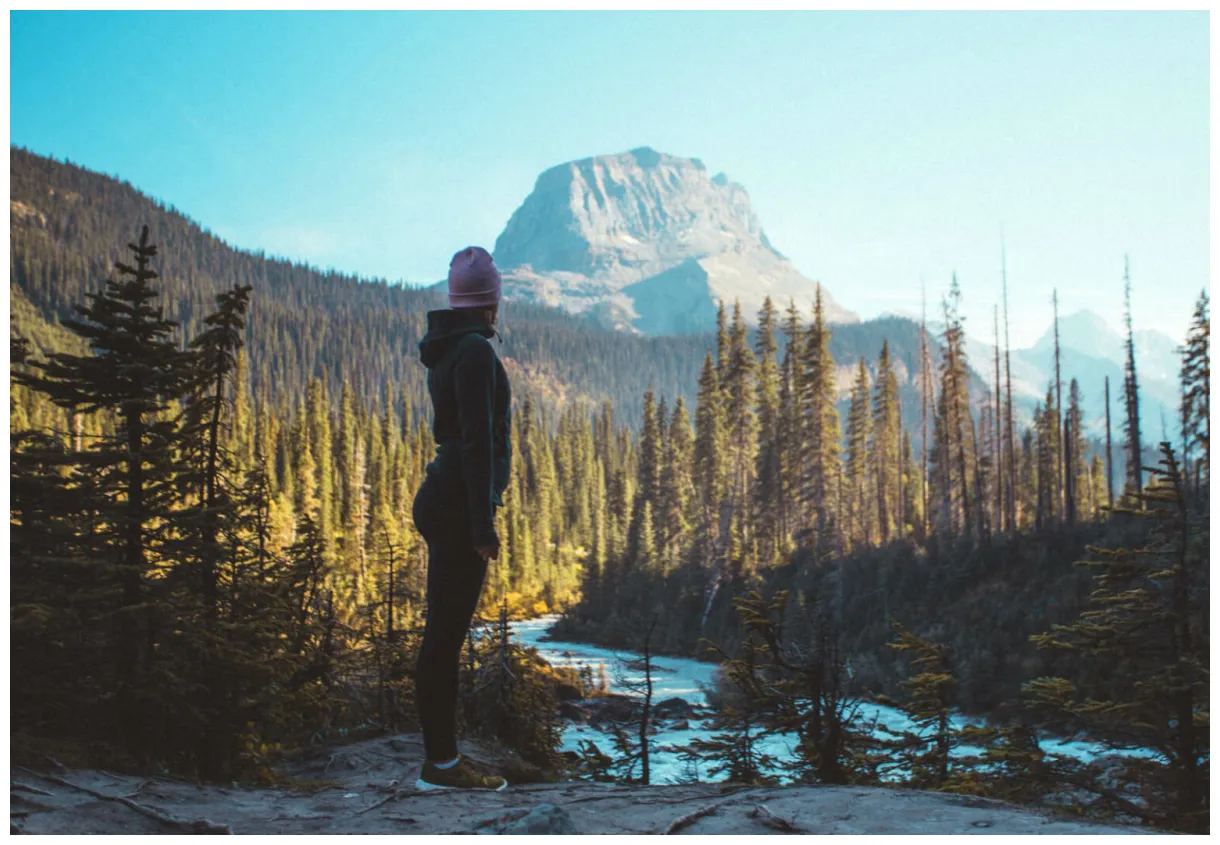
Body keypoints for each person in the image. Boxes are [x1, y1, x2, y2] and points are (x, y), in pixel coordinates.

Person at [411, 246, 512, 791]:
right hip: (455, 505)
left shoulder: (452, 347)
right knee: (445, 638)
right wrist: (483, 525)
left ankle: (441, 762)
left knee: (441, 635)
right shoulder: (473, 351)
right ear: (490, 301)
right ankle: (442, 768)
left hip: (445, 498)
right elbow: (476, 443)